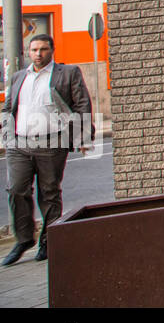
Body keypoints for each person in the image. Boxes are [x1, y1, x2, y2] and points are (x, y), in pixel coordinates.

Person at [2, 34, 95, 265]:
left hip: (52, 141)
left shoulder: (67, 73)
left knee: (49, 192)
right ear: (28, 51)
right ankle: (24, 239)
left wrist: (83, 137)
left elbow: (82, 103)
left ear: (52, 50)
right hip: (20, 143)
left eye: (43, 49)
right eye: (34, 49)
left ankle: (49, 239)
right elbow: (7, 107)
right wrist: (6, 137)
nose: (38, 53)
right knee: (16, 189)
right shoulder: (18, 76)